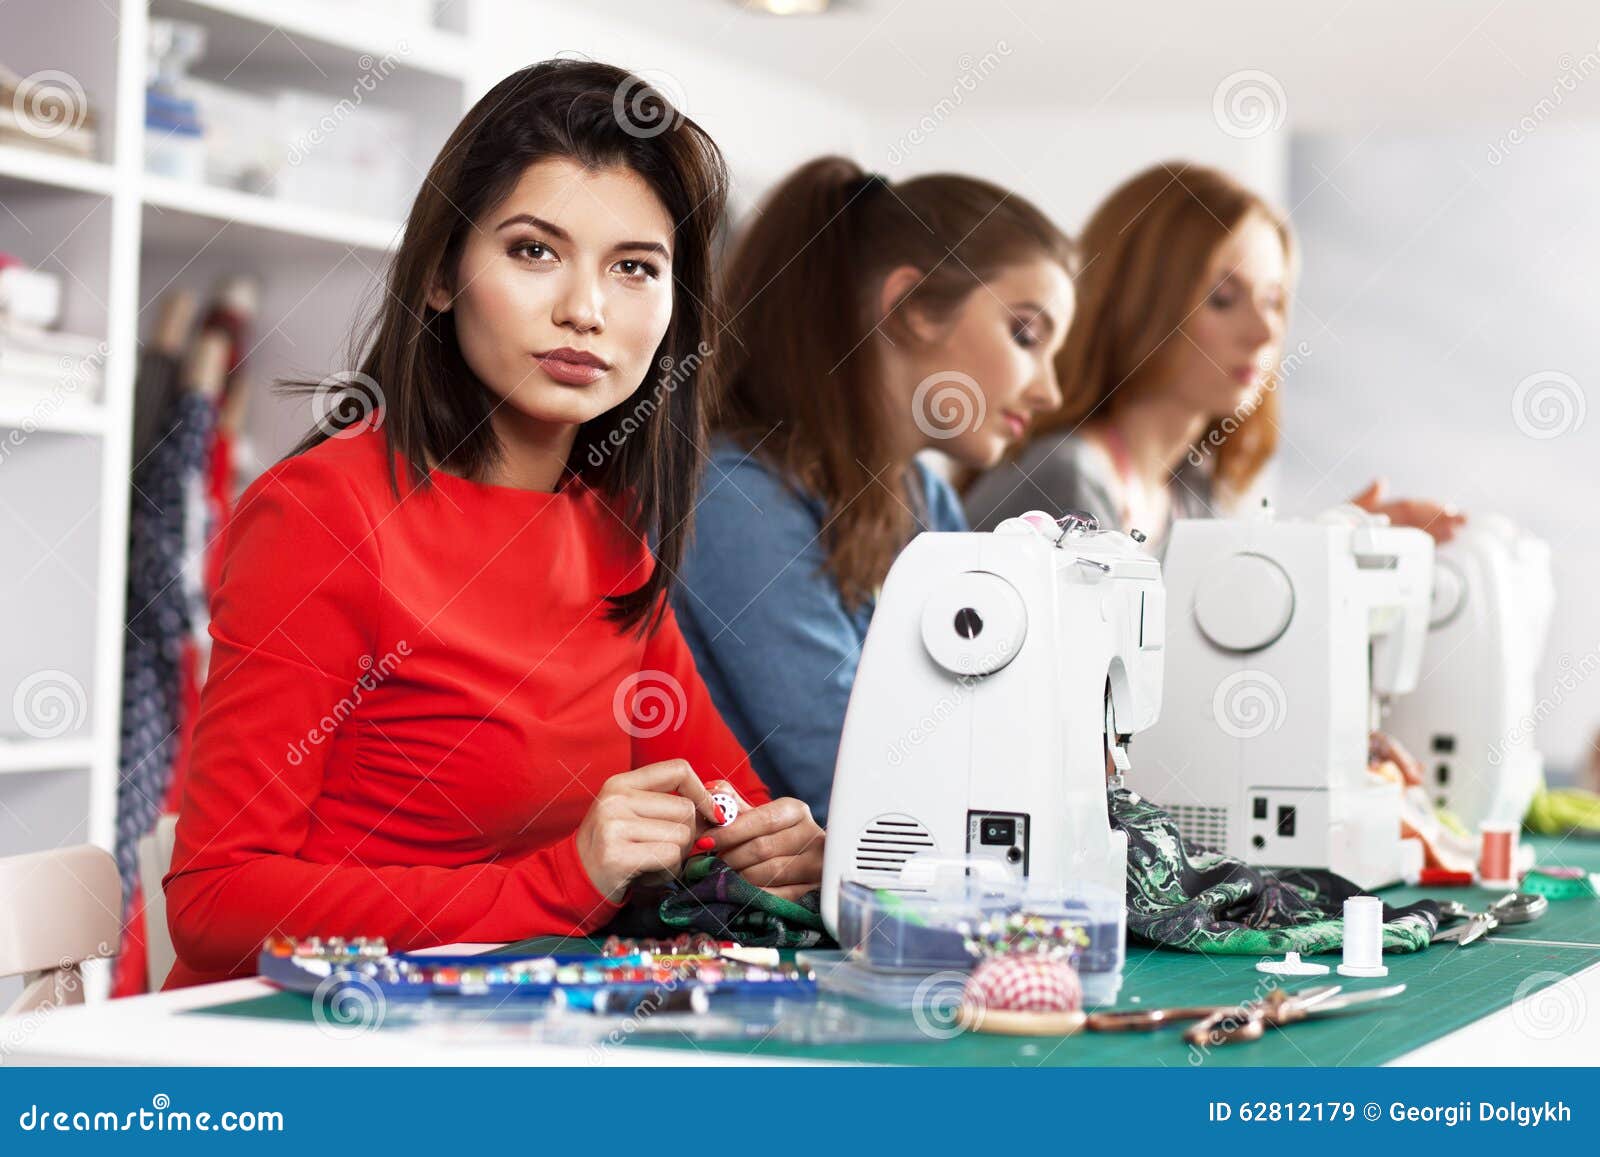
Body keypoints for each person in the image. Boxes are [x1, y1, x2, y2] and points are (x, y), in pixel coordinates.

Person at [162, 60, 823, 988]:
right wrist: (563, 881)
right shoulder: (323, 514)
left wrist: (783, 848)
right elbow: (215, 904)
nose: (585, 311)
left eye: (635, 268)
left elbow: (726, 805)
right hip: (303, 1049)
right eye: (533, 251)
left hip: (511, 1033)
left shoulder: (605, 531)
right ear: (441, 274)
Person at [674, 157, 1076, 822]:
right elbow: (859, 778)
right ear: (914, 309)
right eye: (1026, 334)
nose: (1050, 390)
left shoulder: (921, 497)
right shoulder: (737, 496)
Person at [964, 161, 1464, 549]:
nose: (1266, 330)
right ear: (1141, 302)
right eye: (1223, 300)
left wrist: (1333, 546)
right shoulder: (1063, 482)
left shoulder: (1185, 491)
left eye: (1274, 301)